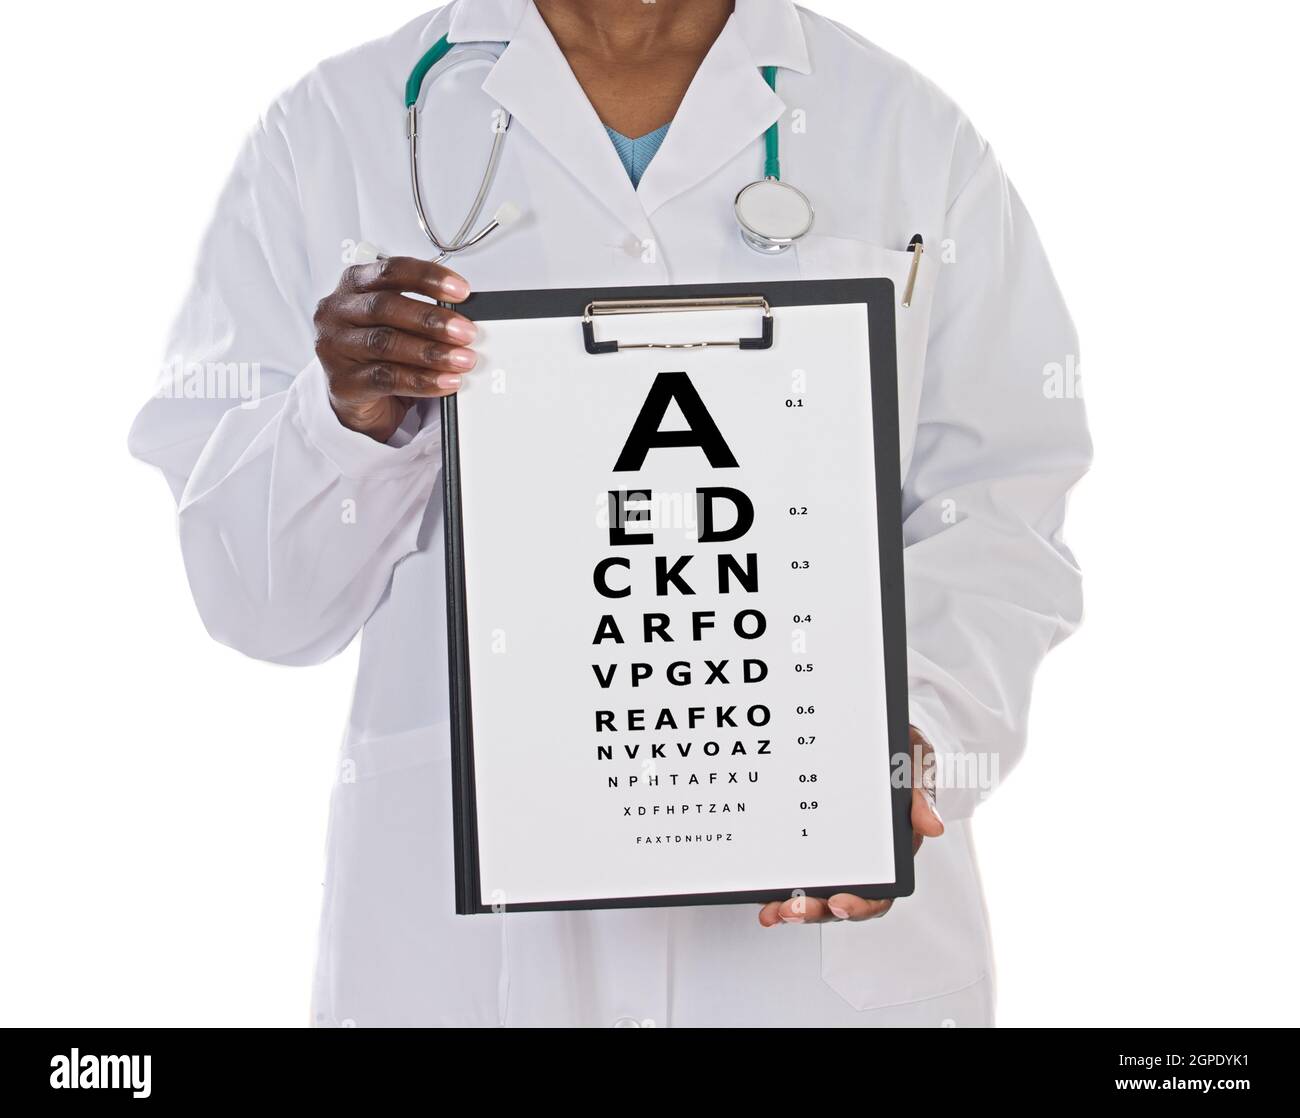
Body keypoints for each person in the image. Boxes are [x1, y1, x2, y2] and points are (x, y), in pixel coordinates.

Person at [129, 0, 1090, 1027]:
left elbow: (996, 507)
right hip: (469, 959)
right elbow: (258, 604)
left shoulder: (905, 133)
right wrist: (343, 424)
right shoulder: (328, 134)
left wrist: (907, 737)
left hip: (815, 967)